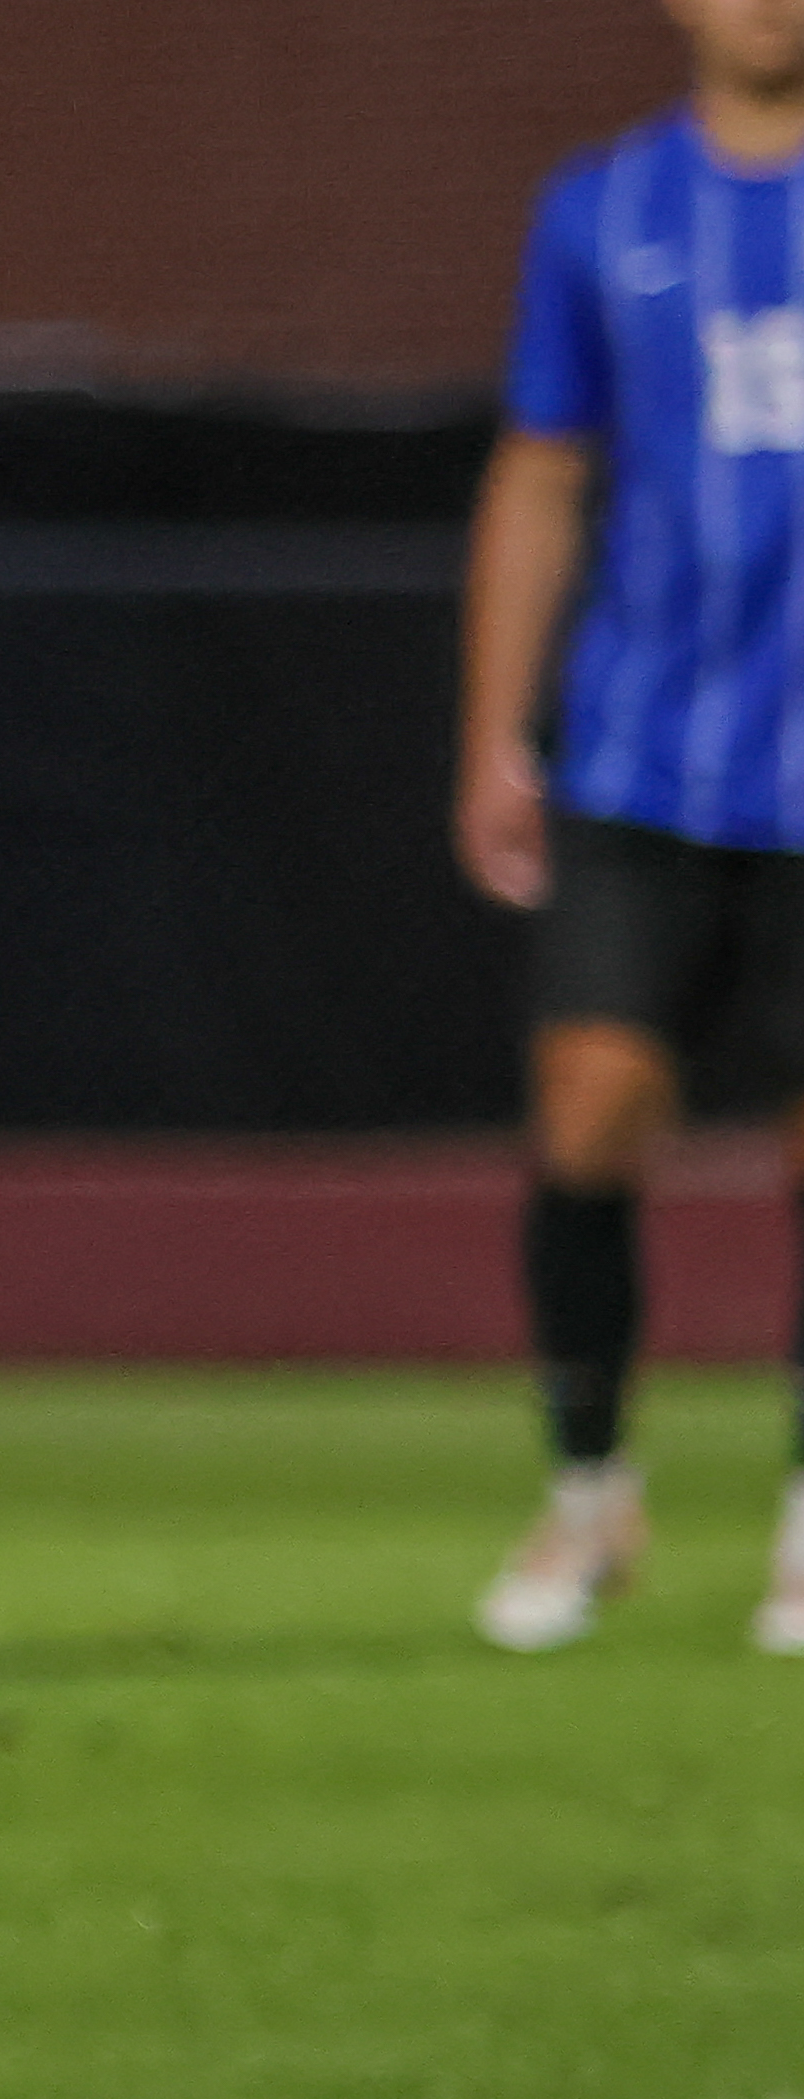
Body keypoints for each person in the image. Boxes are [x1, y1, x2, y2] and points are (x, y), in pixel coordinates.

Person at [462, 0, 804, 1653]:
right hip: (641, 761)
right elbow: (541, 468)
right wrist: (492, 733)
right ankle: (592, 1491)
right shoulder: (602, 209)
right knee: (590, 1110)